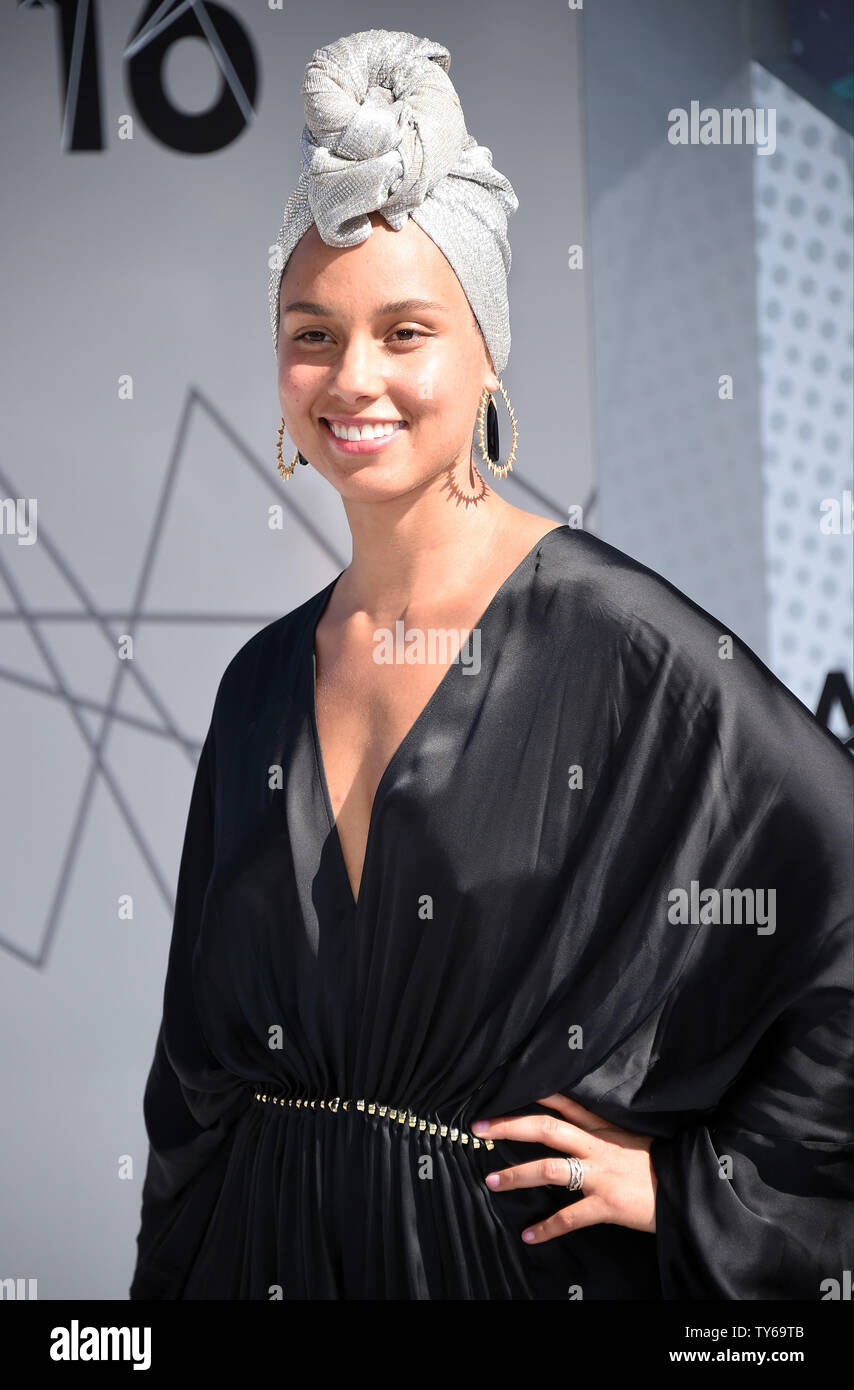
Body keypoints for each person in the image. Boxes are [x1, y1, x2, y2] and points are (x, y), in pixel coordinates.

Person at [129, 28, 853, 1301]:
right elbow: (192, 1096)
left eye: (405, 330)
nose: (353, 378)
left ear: (485, 357)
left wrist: (700, 1190)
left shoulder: (623, 644)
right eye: (313, 333)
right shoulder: (255, 685)